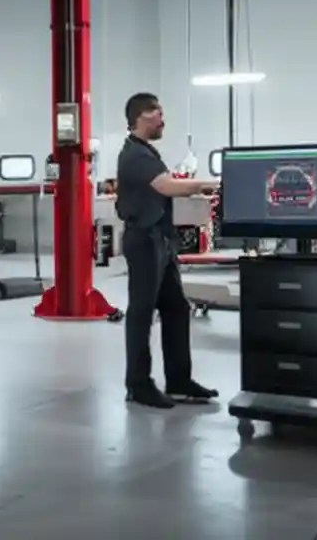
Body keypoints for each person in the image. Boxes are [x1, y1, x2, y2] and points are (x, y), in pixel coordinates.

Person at [115, 92, 220, 409]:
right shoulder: (134, 154)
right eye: (157, 112)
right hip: (144, 240)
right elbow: (166, 187)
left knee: (176, 308)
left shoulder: (147, 152)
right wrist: (212, 184)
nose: (163, 118)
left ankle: (178, 380)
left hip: (160, 239)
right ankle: (138, 384)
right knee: (141, 313)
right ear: (142, 116)